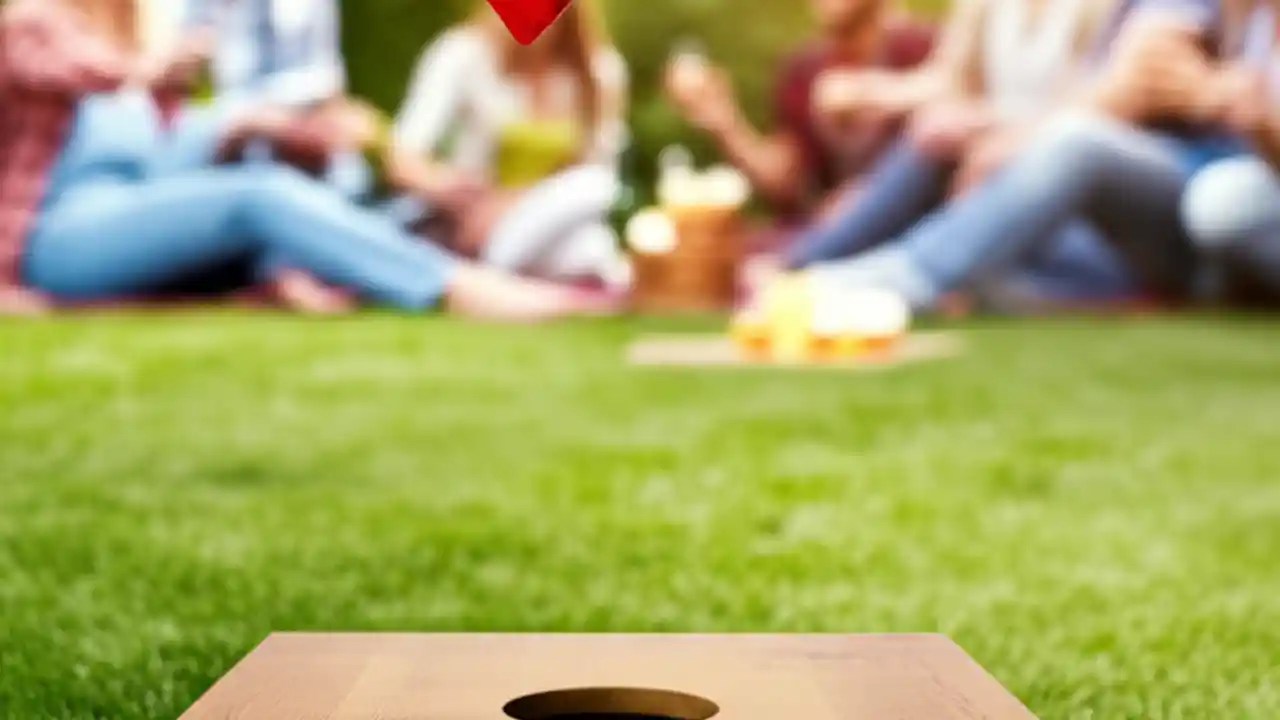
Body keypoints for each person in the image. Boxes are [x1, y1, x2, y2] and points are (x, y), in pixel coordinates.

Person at [0, 0, 613, 321]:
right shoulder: (33, 25)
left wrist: (271, 127)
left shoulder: (132, 53)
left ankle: (299, 275)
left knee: (278, 184)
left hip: (129, 215)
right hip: (59, 237)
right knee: (258, 194)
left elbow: (170, 152)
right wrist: (168, 76)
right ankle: (459, 288)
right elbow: (106, 73)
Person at [794, 0, 1274, 312]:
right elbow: (1151, 64)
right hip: (1169, 209)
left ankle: (902, 279)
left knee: (1088, 145)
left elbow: (1129, 87)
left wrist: (1225, 99)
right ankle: (804, 269)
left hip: (1201, 205)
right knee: (942, 138)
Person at [783, 0, 1136, 308]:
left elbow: (1114, 100)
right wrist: (872, 93)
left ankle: (851, 273)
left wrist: (1006, 135)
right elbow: (951, 81)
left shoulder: (1107, 6)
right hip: (988, 166)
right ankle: (802, 267)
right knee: (934, 133)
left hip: (1065, 183)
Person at [393, 0, 630, 286]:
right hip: (473, 220)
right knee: (591, 246)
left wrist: (512, 204)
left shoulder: (600, 70)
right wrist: (447, 188)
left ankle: (497, 273)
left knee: (594, 196)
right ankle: (508, 272)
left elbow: (600, 170)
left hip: (551, 219)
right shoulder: (462, 54)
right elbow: (402, 158)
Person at [665, 0, 933, 220]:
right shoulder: (803, 69)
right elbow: (784, 180)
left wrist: (873, 199)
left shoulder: (926, 51)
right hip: (824, 241)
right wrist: (724, 121)